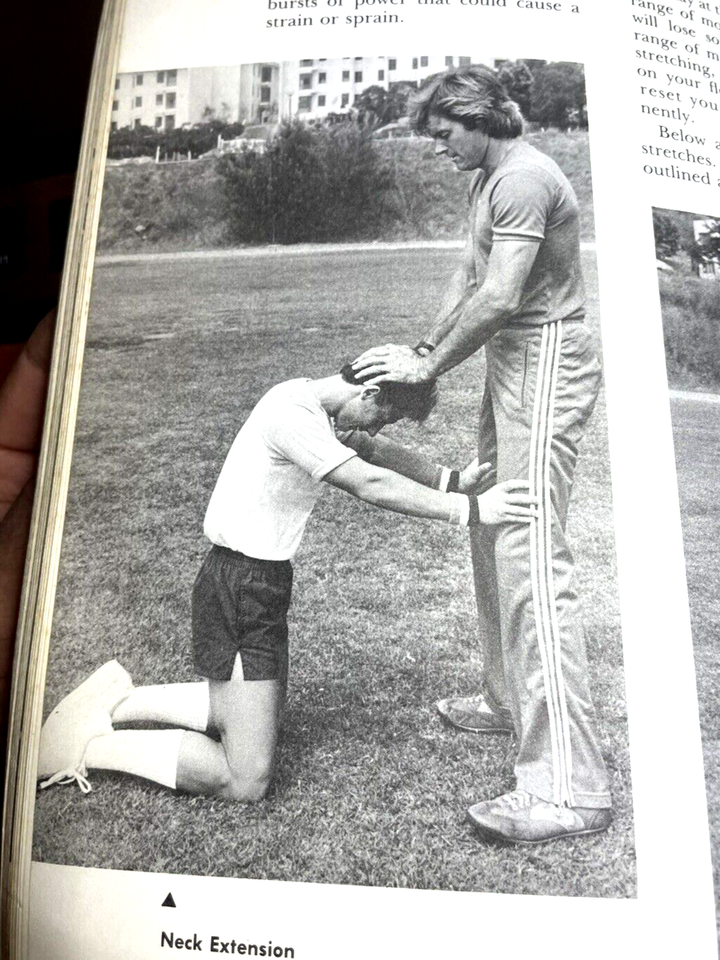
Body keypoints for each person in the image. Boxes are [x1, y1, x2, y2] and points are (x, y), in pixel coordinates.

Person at [38, 363, 535, 801]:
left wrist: (450, 479)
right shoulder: (291, 414)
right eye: (383, 415)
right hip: (240, 583)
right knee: (244, 778)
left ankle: (115, 700)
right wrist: (470, 510)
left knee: (258, 720)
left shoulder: (317, 407)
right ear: (369, 392)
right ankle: (86, 746)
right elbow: (368, 481)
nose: (376, 427)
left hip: (260, 581)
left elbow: (372, 449)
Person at [352, 65, 612, 844]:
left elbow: (500, 296)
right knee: (487, 519)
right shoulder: (489, 178)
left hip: (546, 355)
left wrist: (429, 367)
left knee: (531, 556)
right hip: (514, 358)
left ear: (479, 118)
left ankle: (569, 788)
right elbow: (468, 275)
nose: (439, 148)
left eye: (445, 134)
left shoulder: (524, 179)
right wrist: (422, 351)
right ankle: (506, 699)